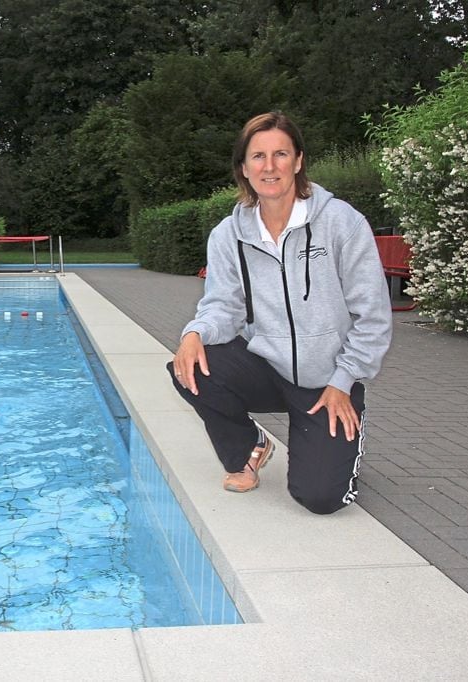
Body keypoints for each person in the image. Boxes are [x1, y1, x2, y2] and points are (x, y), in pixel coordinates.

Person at [169, 111, 392, 515]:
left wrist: (344, 379)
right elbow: (224, 305)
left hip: (327, 382)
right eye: (258, 156)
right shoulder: (228, 234)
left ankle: (328, 443)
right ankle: (249, 446)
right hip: (266, 366)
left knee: (321, 498)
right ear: (243, 167)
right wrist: (194, 333)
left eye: (280, 154)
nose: (269, 166)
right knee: (190, 366)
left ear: (299, 161)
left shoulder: (341, 222)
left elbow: (373, 316)